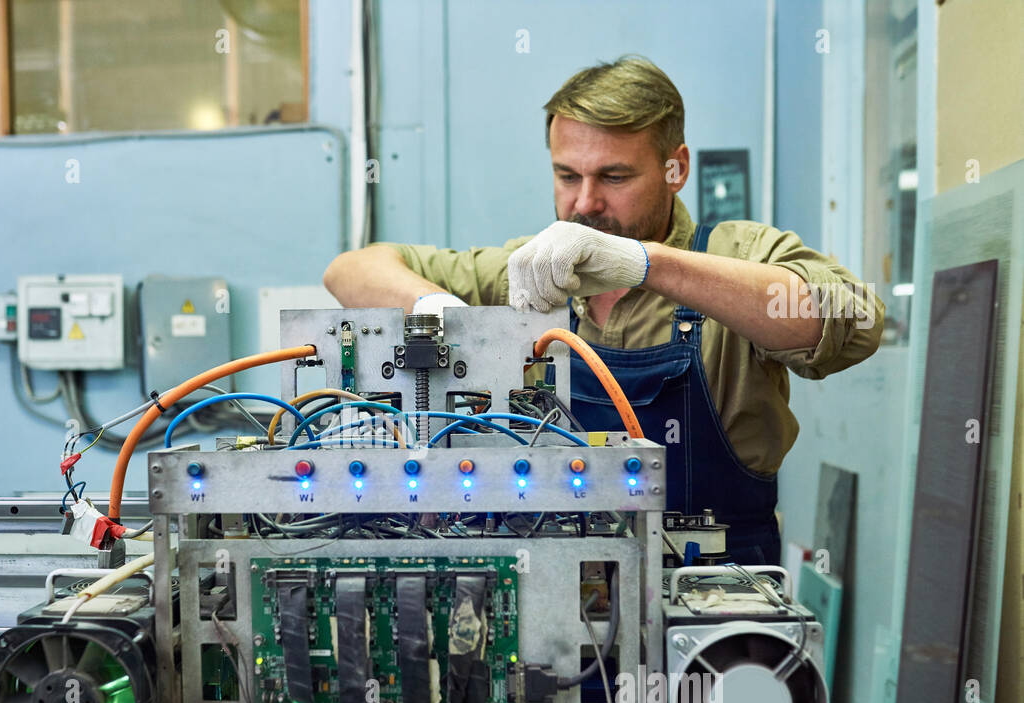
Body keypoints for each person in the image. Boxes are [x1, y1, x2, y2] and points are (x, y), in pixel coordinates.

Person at [324, 55, 884, 566]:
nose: (585, 202)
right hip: (554, 595)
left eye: (614, 177)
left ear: (676, 169)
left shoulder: (737, 255)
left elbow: (854, 321)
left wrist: (649, 264)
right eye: (568, 176)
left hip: (710, 599)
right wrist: (437, 308)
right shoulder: (531, 270)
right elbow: (350, 269)